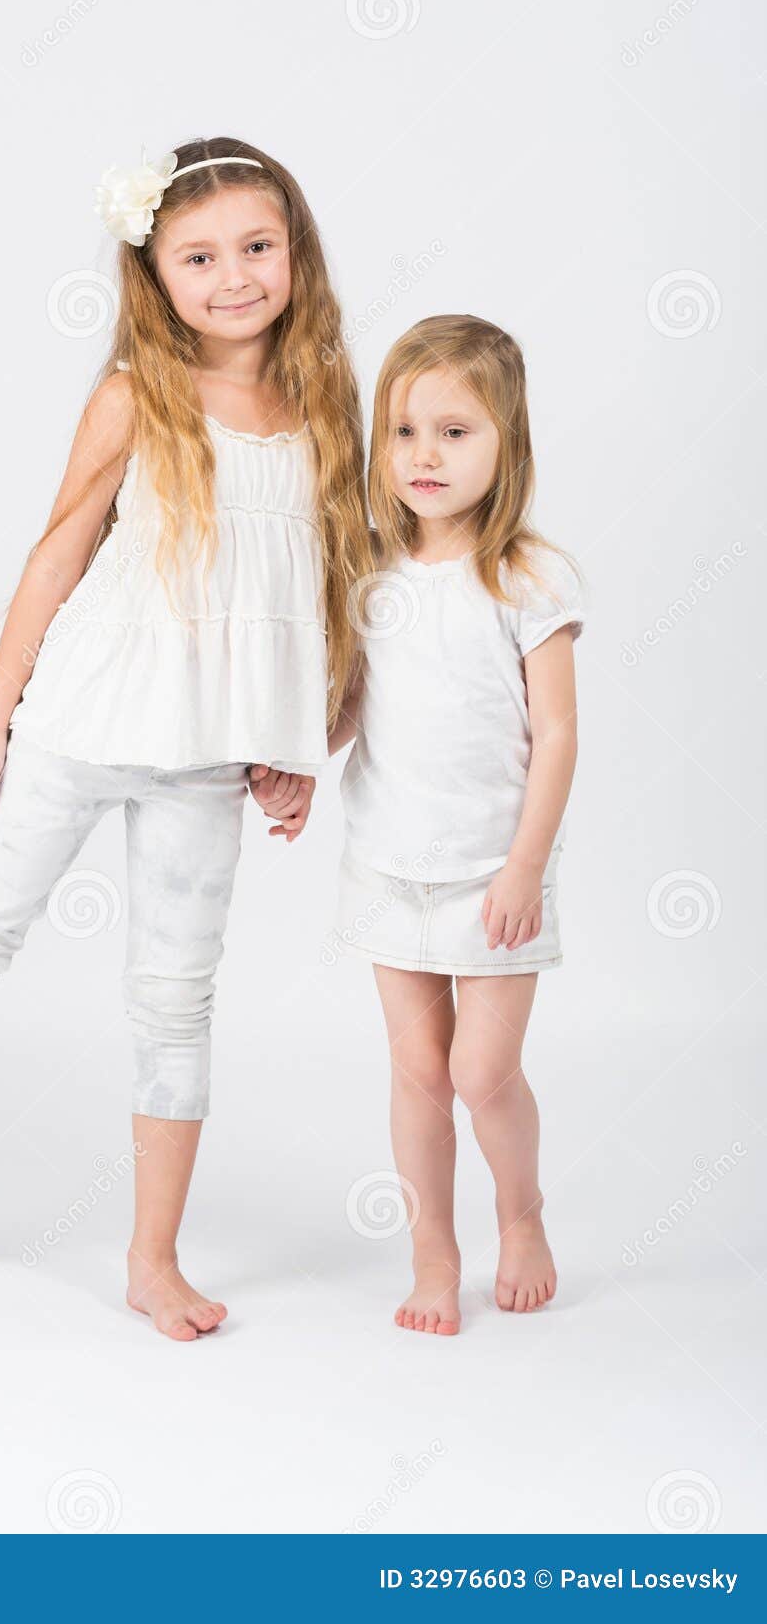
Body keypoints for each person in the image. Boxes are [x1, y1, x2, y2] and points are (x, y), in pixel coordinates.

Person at [0, 137, 373, 1340]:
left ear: (296, 255)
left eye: (257, 247)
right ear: (152, 273)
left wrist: (311, 734)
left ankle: (152, 1258)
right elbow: (55, 553)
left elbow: (328, 578)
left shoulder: (322, 409)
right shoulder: (134, 394)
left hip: (210, 750)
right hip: (84, 717)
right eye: (197, 257)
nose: (231, 277)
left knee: (174, 995)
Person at [328, 314, 586, 1336]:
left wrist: (524, 866)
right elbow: (351, 708)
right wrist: (296, 762)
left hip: (492, 872)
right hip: (388, 867)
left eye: (453, 431)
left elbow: (557, 735)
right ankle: (431, 1248)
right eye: (402, 432)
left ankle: (517, 1213)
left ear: (504, 443)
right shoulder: (372, 578)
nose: (423, 456)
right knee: (417, 1073)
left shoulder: (527, 577)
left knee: (480, 1071)